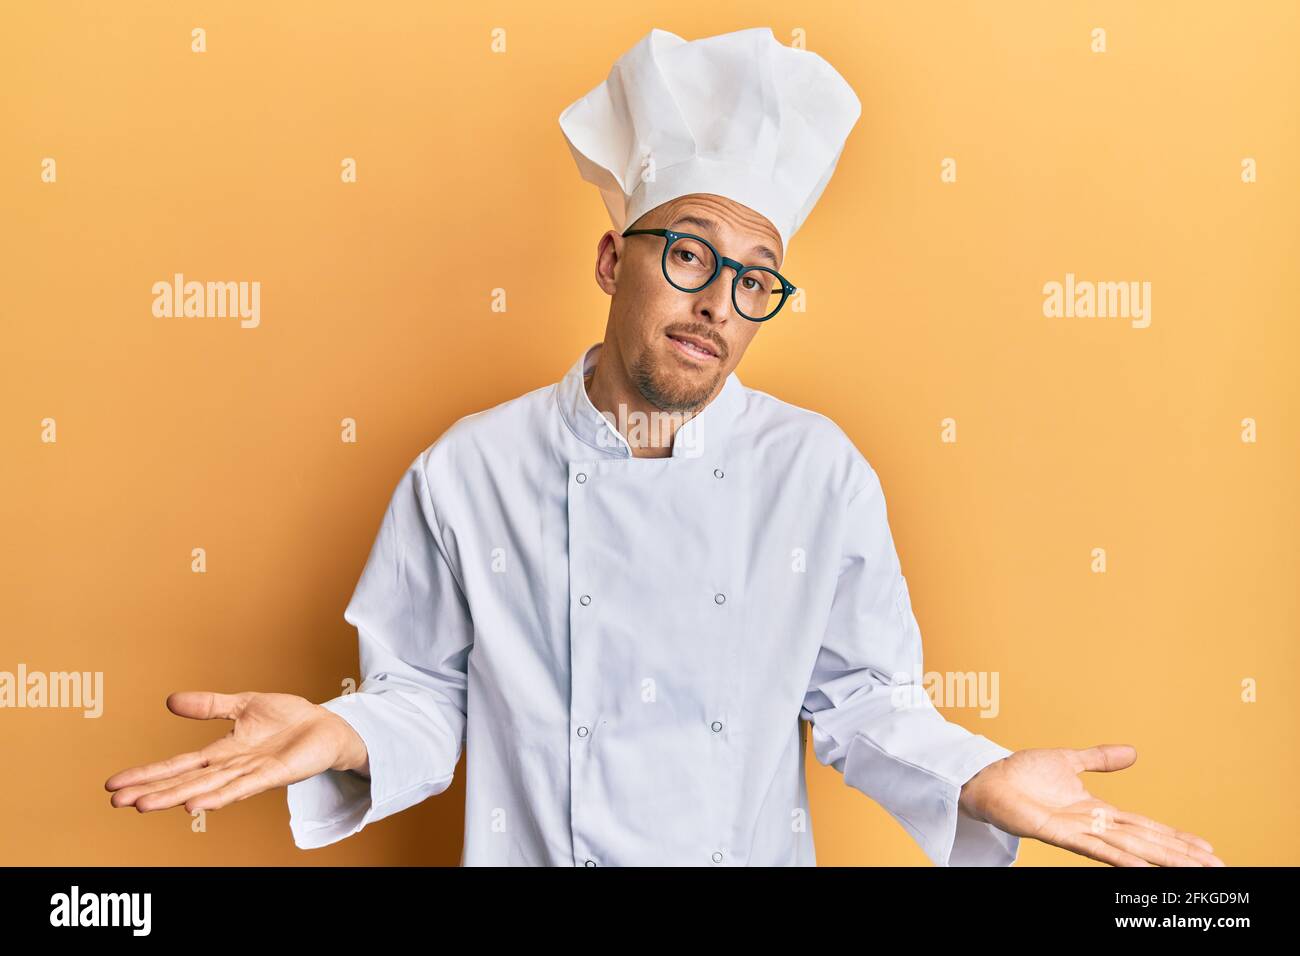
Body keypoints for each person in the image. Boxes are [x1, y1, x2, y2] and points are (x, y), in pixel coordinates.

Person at [104, 27, 1223, 868]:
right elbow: (424, 697)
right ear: (610, 260)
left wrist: (978, 774)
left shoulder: (815, 473)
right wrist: (340, 724)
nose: (716, 303)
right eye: (688, 254)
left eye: (753, 279)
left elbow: (865, 701)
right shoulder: (470, 469)